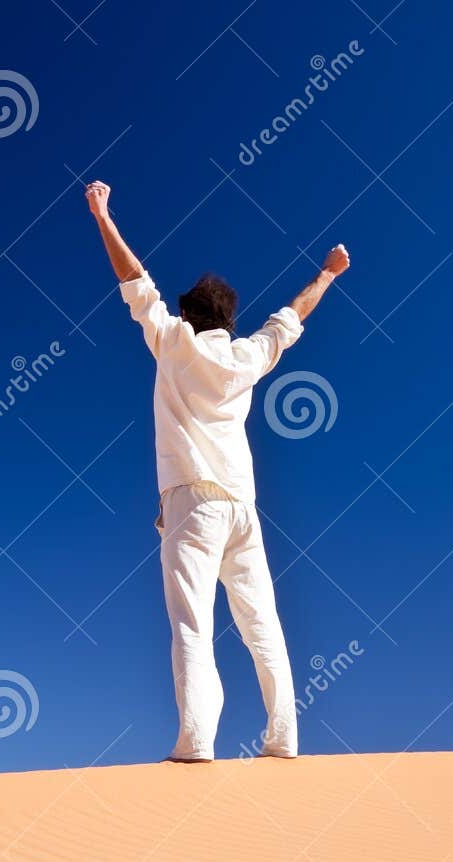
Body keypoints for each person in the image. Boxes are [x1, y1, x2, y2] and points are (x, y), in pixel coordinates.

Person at [84, 178, 350, 763]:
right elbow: (290, 318)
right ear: (228, 320)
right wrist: (328, 273)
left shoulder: (176, 342)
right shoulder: (247, 356)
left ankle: (196, 741)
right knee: (264, 625)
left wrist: (103, 215)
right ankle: (284, 738)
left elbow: (134, 282)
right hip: (243, 511)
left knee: (192, 625)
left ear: (189, 314)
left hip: (193, 504)